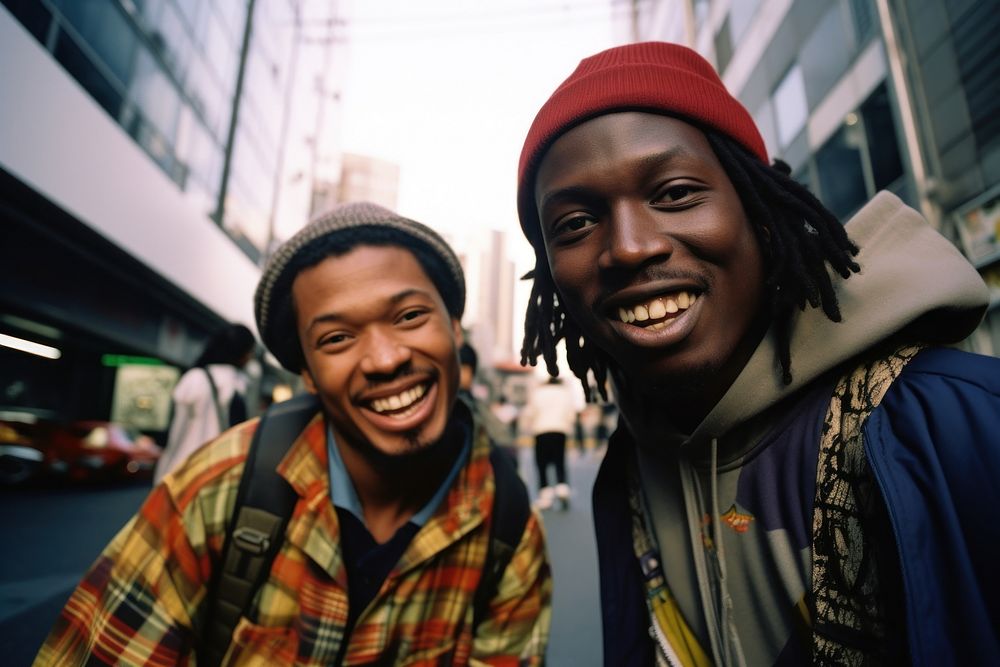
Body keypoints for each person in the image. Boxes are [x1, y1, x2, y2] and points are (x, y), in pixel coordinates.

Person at [516, 42, 1000, 666]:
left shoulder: (957, 422)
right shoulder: (629, 472)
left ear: (762, 216)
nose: (629, 248)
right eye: (576, 224)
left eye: (675, 193)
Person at [36, 202, 551, 665]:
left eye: (411, 316)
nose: (386, 359)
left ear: (454, 331)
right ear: (306, 372)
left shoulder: (507, 527)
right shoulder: (218, 488)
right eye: (337, 338)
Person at [153, 323, 256, 484]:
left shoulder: (193, 378)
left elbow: (174, 435)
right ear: (241, 353)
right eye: (250, 352)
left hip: (181, 474)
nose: (250, 357)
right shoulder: (238, 385)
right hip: (216, 477)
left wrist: (162, 478)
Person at [521, 377, 577, 510]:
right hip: (560, 430)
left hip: (541, 430)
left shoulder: (538, 392)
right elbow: (571, 414)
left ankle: (545, 494)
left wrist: (529, 427)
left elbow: (530, 412)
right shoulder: (565, 393)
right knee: (560, 461)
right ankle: (562, 488)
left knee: (542, 464)